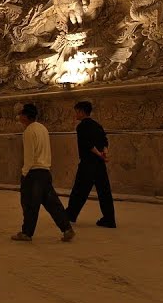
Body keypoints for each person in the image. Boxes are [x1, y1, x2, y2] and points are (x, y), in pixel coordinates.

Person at [11, 103, 75, 242]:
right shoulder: (42, 128)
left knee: (30, 204)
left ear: (26, 116)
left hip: (33, 173)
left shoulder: (28, 131)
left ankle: (26, 233)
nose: (19, 116)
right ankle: (67, 228)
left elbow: (29, 155)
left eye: (21, 114)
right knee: (53, 204)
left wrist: (24, 172)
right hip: (45, 171)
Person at [65, 100, 116, 228]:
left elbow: (87, 144)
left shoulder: (82, 126)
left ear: (82, 111)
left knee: (79, 191)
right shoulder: (97, 125)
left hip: (87, 163)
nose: (75, 114)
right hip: (99, 164)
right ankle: (109, 219)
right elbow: (105, 142)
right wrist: (104, 154)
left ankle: (70, 214)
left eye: (76, 112)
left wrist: (98, 154)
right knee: (104, 192)